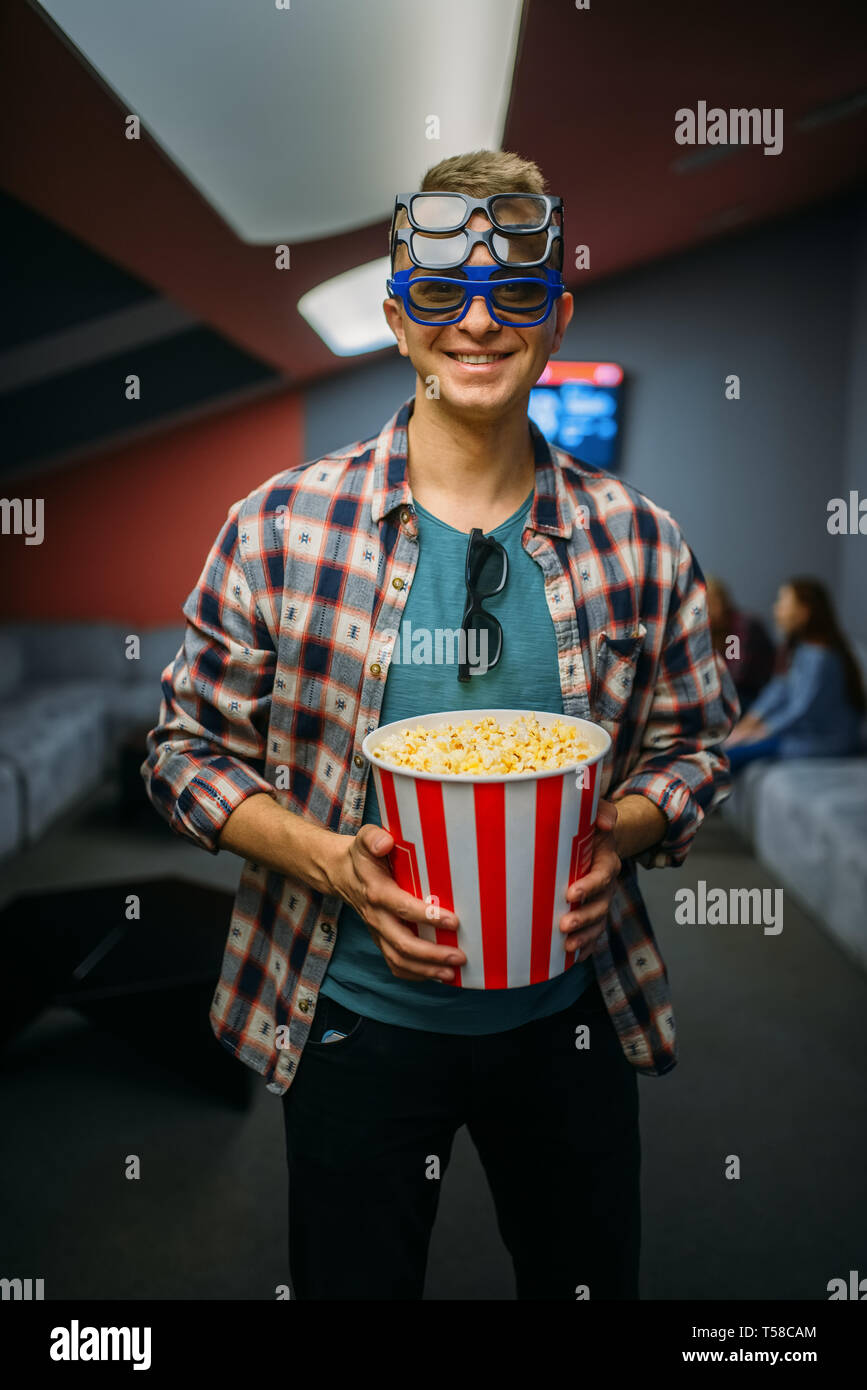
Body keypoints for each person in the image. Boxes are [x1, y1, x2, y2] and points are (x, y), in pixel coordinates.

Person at [141, 149, 737, 1301]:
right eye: (439, 294)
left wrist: (621, 831)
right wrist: (330, 862)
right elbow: (181, 751)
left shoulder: (642, 539)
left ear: (554, 319)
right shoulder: (275, 528)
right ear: (397, 319)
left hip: (572, 1017)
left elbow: (700, 746)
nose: (477, 321)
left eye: (513, 295)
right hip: (352, 1017)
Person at [725, 577, 865, 770]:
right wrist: (749, 721)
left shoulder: (821, 658)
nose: (776, 608)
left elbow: (801, 708)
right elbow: (779, 688)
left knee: (728, 756)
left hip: (826, 741)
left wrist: (760, 731)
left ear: (803, 612)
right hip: (801, 732)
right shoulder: (800, 650)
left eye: (783, 602)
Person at [705, 575, 775, 711]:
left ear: (722, 602)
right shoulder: (710, 630)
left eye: (710, 602)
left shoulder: (741, 626)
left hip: (751, 695)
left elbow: (735, 675)